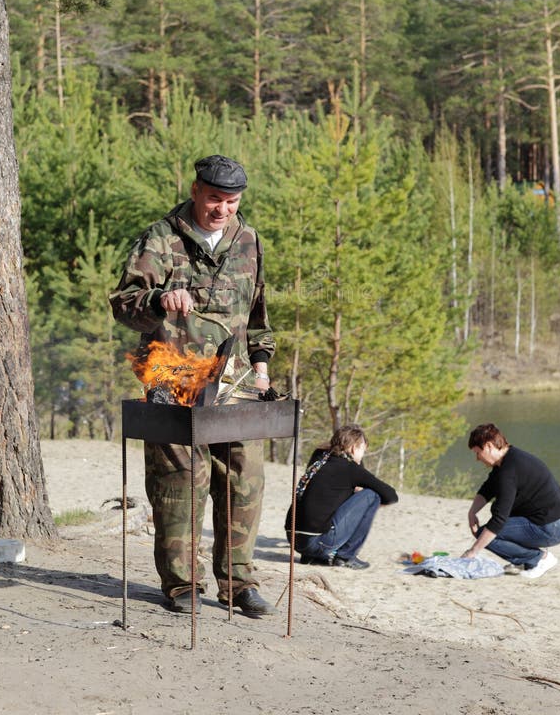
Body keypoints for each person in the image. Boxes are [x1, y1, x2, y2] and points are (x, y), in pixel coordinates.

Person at [110, 154, 277, 616]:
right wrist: (159, 299)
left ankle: (239, 583)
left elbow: (258, 317)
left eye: (232, 201)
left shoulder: (248, 240)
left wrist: (261, 367)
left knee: (244, 482)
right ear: (196, 191)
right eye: (215, 198)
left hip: (236, 383)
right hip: (174, 380)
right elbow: (124, 305)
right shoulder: (160, 238)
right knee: (181, 484)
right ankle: (182, 585)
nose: (223, 209)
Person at [285, 425, 398, 569]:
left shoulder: (319, 460)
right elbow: (391, 495)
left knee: (328, 501)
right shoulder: (350, 468)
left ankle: (311, 556)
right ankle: (346, 556)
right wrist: (367, 504)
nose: (363, 455)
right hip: (317, 543)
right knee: (372, 496)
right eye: (363, 450)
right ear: (354, 448)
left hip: (294, 540)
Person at [461, 423, 560, 578]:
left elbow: (498, 521)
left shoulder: (508, 472)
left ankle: (539, 559)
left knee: (485, 534)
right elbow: (488, 488)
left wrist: (472, 552)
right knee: (496, 511)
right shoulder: (509, 459)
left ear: (488, 446)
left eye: (477, 453)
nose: (477, 458)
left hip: (552, 527)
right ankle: (524, 561)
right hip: (553, 520)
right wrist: (472, 512)